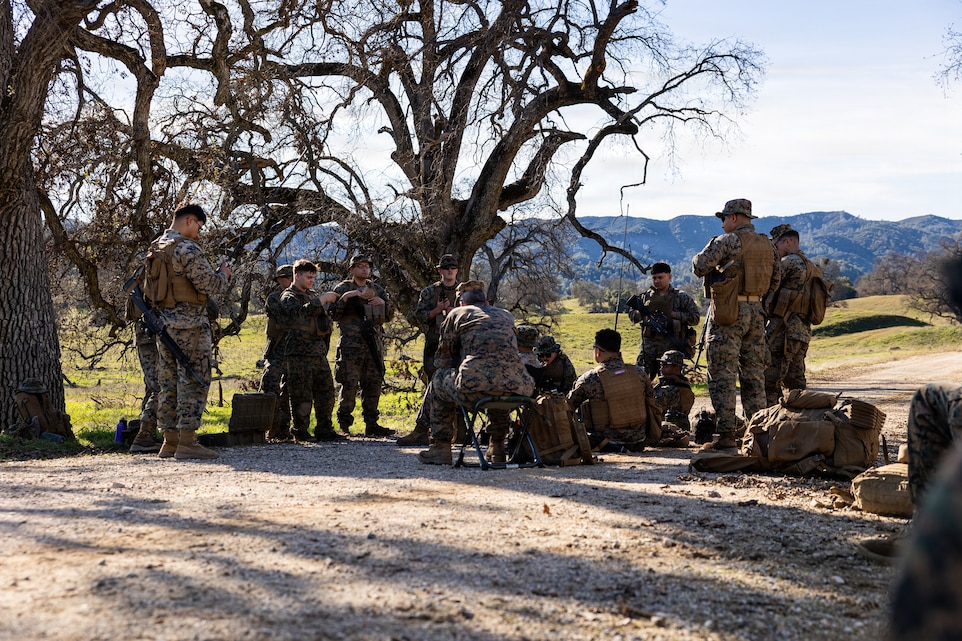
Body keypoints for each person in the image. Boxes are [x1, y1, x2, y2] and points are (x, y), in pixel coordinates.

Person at [692, 198, 780, 451]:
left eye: (723, 219)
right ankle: (759, 435)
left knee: (723, 374)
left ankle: (728, 434)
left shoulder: (727, 241)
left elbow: (699, 266)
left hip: (729, 312)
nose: (721, 225)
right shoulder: (769, 245)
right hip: (756, 311)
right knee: (754, 375)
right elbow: (775, 282)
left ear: (733, 218)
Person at [417, 280, 535, 465]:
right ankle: (496, 446)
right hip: (519, 388)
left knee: (439, 379)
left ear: (462, 303)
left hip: (475, 389)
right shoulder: (506, 315)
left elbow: (443, 361)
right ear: (486, 302)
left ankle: (441, 447)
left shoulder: (457, 314)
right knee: (499, 382)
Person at [146, 203, 230, 460]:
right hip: (190, 325)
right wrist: (224, 275)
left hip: (164, 325)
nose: (198, 234)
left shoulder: (156, 246)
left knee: (168, 383)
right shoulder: (187, 248)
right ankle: (187, 442)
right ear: (190, 220)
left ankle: (169, 442)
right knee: (194, 380)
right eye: (199, 228)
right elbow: (208, 283)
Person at [397, 254, 461, 447]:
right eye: (446, 267)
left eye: (453, 267)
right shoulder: (429, 292)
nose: (450, 270)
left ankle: (457, 432)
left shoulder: (463, 292)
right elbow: (418, 316)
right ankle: (430, 430)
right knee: (433, 386)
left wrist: (454, 314)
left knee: (456, 386)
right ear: (440, 271)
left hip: (458, 345)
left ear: (457, 270)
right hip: (435, 345)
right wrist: (437, 310)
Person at [329, 254, 394, 437]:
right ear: (352, 270)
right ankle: (344, 425)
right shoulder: (342, 288)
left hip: (373, 344)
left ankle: (372, 424)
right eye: (360, 266)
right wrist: (346, 298)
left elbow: (388, 316)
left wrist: (383, 304)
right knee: (349, 383)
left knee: (373, 383)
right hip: (351, 346)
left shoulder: (377, 289)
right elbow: (332, 314)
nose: (364, 269)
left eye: (367, 266)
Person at [567, 328, 661, 452]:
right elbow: (652, 400)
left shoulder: (590, 378)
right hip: (639, 441)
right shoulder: (639, 373)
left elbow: (568, 406)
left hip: (607, 443)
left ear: (598, 352)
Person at [279, 259, 342, 442]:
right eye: (308, 277)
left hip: (317, 351)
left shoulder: (312, 294)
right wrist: (321, 300)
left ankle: (325, 429)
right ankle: (300, 430)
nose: (311, 281)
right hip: (299, 353)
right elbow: (297, 314)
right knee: (301, 394)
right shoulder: (289, 296)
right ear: (296, 276)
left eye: (313, 278)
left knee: (326, 392)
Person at [764, 223, 815, 406]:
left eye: (776, 246)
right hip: (801, 332)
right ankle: (801, 423)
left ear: (787, 242)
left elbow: (767, 286)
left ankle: (770, 426)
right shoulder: (810, 265)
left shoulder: (788, 262)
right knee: (796, 382)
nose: (775, 251)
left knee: (770, 380)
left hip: (783, 331)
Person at [628, 262, 701, 379]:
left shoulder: (681, 297)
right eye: (654, 278)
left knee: (672, 384)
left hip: (671, 349)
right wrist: (643, 311)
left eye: (660, 277)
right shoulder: (645, 297)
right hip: (648, 349)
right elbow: (633, 317)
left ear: (669, 277)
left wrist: (674, 315)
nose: (657, 281)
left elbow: (695, 319)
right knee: (639, 381)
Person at [260, 264, 294, 441]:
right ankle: (273, 426)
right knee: (271, 384)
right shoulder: (274, 298)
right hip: (278, 348)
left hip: (297, 348)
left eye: (287, 277)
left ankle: (287, 428)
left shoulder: (304, 297)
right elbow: (286, 318)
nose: (285, 281)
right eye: (282, 278)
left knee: (291, 389)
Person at [127, 321, 162, 453]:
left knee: (153, 387)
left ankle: (148, 434)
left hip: (151, 334)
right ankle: (144, 436)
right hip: (152, 334)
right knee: (160, 387)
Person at [652, 349, 695, 447]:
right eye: (661, 365)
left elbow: (653, 409)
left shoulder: (669, 390)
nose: (661, 369)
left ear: (676, 368)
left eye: (665, 366)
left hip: (669, 429)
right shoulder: (684, 385)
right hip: (682, 427)